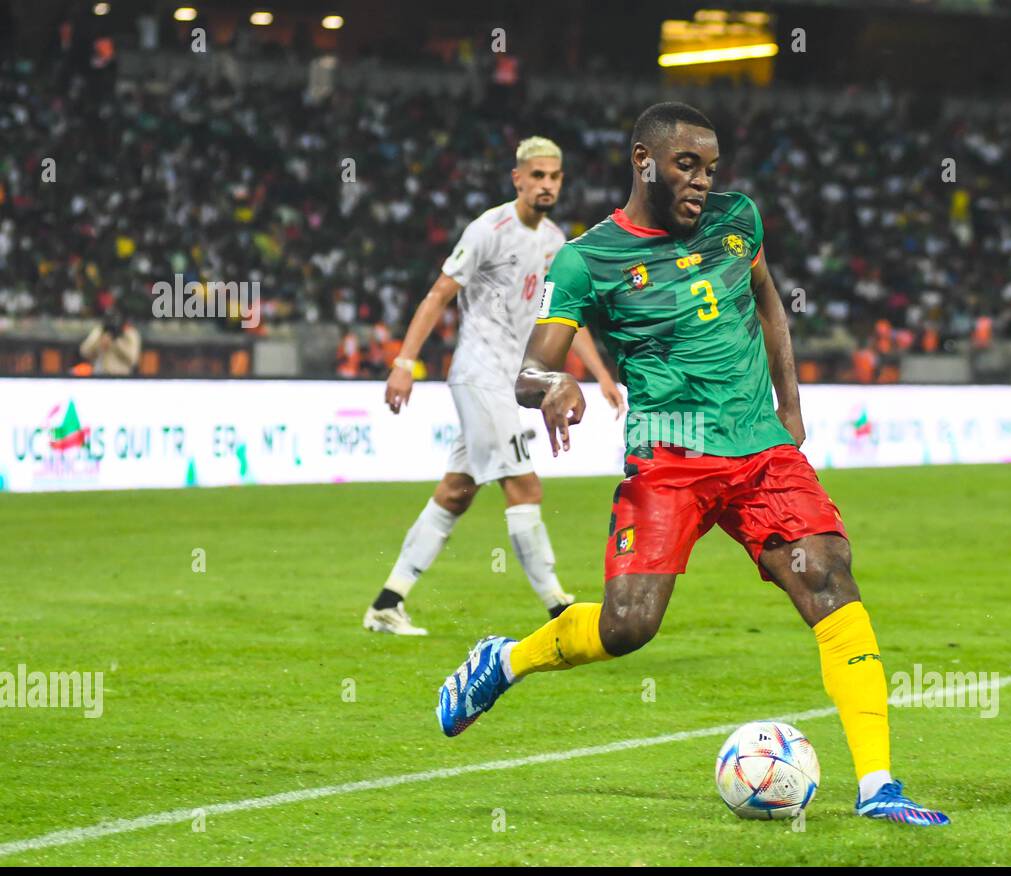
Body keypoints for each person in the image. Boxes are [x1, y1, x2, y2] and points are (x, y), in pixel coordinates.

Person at [435, 103, 949, 826]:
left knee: (829, 577)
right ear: (643, 159)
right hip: (669, 458)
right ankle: (507, 660)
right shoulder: (588, 259)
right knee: (628, 626)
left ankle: (878, 787)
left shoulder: (739, 219)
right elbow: (531, 370)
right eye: (686, 165)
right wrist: (557, 385)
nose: (703, 182)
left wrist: (789, 405)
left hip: (760, 451)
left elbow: (769, 301)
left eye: (710, 168)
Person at [364, 136, 624, 636]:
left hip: (513, 380)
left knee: (456, 493)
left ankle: (386, 603)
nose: (546, 184)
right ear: (518, 178)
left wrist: (602, 376)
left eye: (554, 176)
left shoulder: (554, 242)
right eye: (538, 176)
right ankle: (558, 608)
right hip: (480, 375)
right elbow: (440, 293)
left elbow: (568, 320)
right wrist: (403, 362)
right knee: (524, 486)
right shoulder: (489, 228)